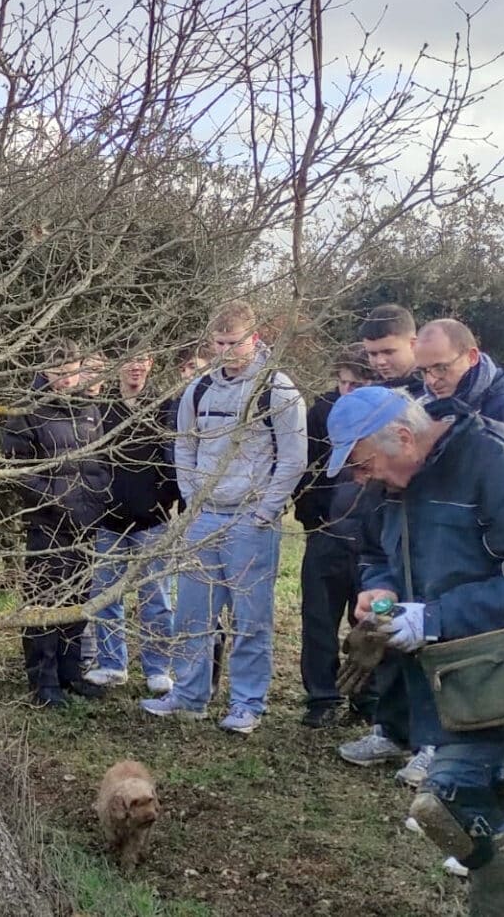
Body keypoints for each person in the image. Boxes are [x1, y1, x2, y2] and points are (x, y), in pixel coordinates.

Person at [332, 386, 504, 914]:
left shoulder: (502, 464)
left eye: (363, 463)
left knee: (448, 799)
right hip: (444, 676)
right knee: (473, 801)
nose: (362, 477)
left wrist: (432, 619)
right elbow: (378, 547)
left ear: (402, 436)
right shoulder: (402, 471)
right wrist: (381, 588)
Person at [143, 301, 306, 734]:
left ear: (254, 339)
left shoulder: (278, 390)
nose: (225, 351)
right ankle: (190, 696)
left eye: (233, 343)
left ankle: (247, 704)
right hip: (204, 517)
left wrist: (264, 511)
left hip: (251, 522)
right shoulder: (199, 388)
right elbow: (184, 445)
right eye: (217, 343)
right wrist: (193, 498)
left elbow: (292, 459)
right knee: (192, 614)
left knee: (251, 620)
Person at [338, 304, 427, 777]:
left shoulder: (428, 403)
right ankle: (391, 729)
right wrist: (380, 578)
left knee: (429, 636)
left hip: (427, 549)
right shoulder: (373, 398)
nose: (379, 362)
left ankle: (435, 742)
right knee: (386, 629)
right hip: (384, 531)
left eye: (388, 351)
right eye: (372, 353)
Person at [3, 341, 110, 708]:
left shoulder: (89, 409)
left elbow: (100, 463)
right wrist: (57, 503)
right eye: (59, 371)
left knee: (78, 599)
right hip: (47, 523)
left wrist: (95, 501)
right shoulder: (28, 410)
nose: (67, 378)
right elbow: (18, 471)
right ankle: (43, 682)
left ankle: (70, 672)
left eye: (73, 370)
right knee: (44, 603)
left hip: (85, 523)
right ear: (45, 371)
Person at [83, 350, 178, 694]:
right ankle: (112, 664)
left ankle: (157, 668)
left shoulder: (164, 407)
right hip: (108, 520)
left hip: (153, 520)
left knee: (156, 600)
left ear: (151, 364)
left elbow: (173, 457)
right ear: (118, 365)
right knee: (107, 596)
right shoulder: (102, 409)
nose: (136, 367)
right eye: (130, 360)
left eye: (144, 360)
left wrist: (167, 496)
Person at [292, 343, 376, 727]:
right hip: (326, 530)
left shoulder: (386, 414)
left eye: (355, 383)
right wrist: (311, 514)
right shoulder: (321, 410)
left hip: (372, 538)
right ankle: (321, 696)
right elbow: (302, 465)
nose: (346, 391)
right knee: (318, 618)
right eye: (341, 382)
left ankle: (367, 697)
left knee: (371, 622)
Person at [413, 319, 504, 442]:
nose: (431, 381)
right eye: (423, 371)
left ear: (472, 357)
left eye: (441, 368)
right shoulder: (422, 411)